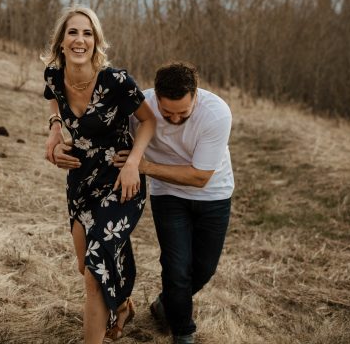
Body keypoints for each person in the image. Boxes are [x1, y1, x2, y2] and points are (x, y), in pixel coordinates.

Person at [54, 61, 234, 344]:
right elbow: (101, 125)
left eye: (182, 113)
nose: (174, 120)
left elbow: (200, 177)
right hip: (168, 195)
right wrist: (61, 137)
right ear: (156, 99)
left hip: (214, 196)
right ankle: (183, 331)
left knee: (204, 269)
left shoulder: (216, 113)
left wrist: (144, 167)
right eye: (167, 113)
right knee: (176, 268)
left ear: (196, 96)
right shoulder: (141, 104)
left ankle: (167, 303)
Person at [43, 6, 156, 343]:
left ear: (97, 41)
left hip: (121, 180)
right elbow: (53, 100)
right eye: (74, 32)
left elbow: (149, 121)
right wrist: (54, 129)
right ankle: (121, 305)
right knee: (85, 266)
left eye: (88, 33)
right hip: (80, 181)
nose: (80, 39)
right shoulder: (53, 75)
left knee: (94, 270)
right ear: (61, 41)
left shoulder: (117, 82)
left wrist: (135, 161)